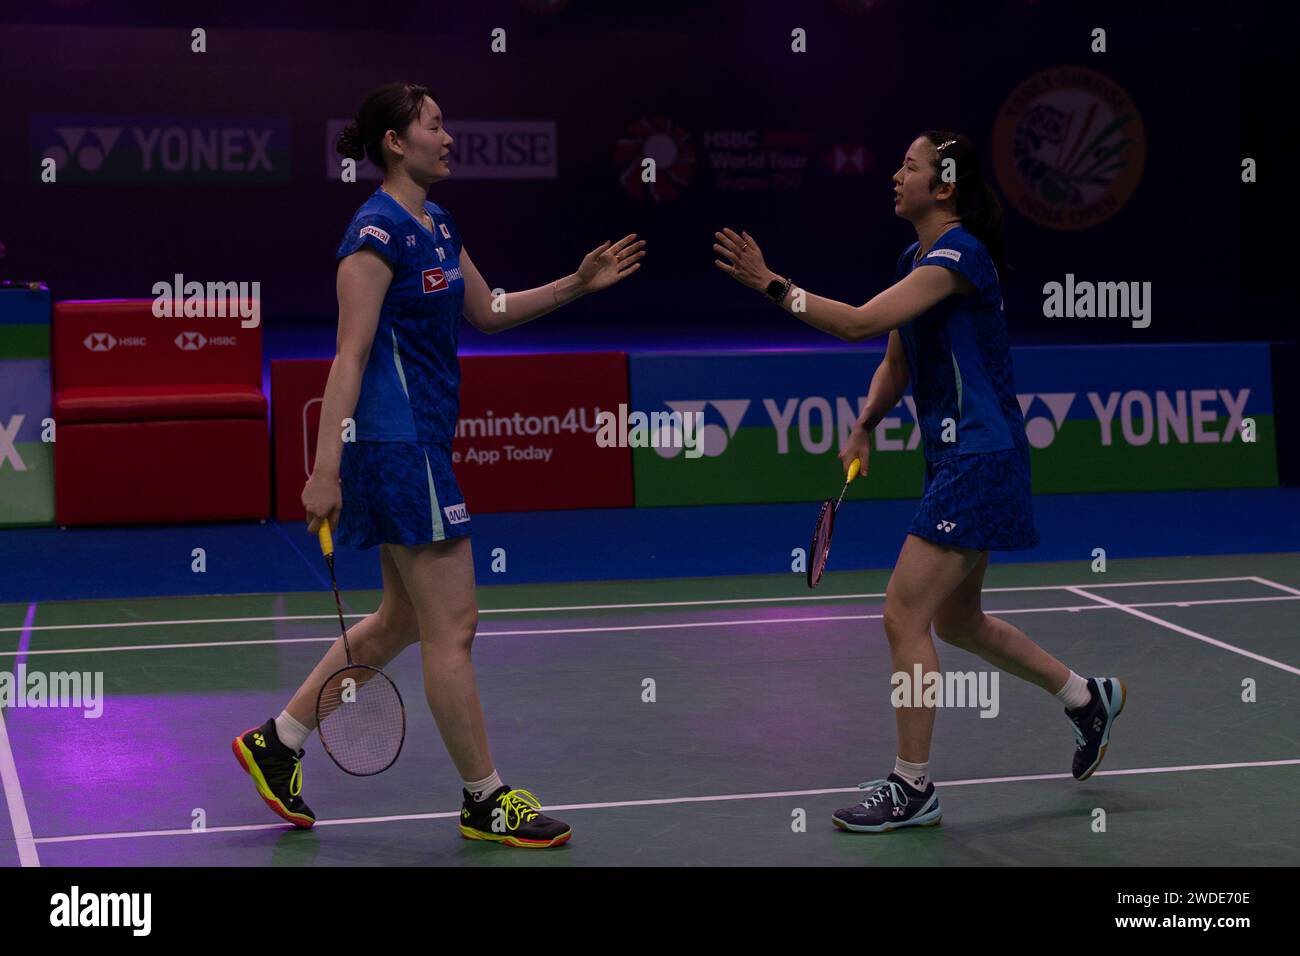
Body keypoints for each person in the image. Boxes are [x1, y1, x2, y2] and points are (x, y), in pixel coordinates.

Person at [233, 82, 645, 848]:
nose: (448, 136)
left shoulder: (439, 224)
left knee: (400, 620)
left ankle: (277, 742)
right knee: (454, 625)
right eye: (434, 125)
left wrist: (577, 284)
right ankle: (486, 799)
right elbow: (348, 357)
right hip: (397, 448)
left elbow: (487, 311)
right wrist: (324, 469)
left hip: (425, 445)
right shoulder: (373, 236)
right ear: (396, 141)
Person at [713, 130, 1124, 832]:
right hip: (954, 457)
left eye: (910, 165)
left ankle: (913, 787)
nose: (895, 174)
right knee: (958, 620)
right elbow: (895, 357)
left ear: (944, 188)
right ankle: (1087, 698)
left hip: (980, 456)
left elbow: (859, 323)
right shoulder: (918, 257)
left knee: (903, 614)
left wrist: (772, 285)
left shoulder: (961, 255)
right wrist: (867, 421)